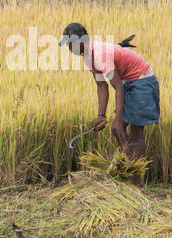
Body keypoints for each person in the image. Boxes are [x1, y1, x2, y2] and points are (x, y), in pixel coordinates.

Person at [59, 22, 159, 166]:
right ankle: (128, 169)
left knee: (135, 134)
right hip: (128, 84)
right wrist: (101, 115)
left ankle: (137, 183)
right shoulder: (87, 56)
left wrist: (117, 119)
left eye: (69, 44)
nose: (68, 48)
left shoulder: (100, 54)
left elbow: (118, 86)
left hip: (141, 82)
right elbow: (101, 85)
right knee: (117, 131)